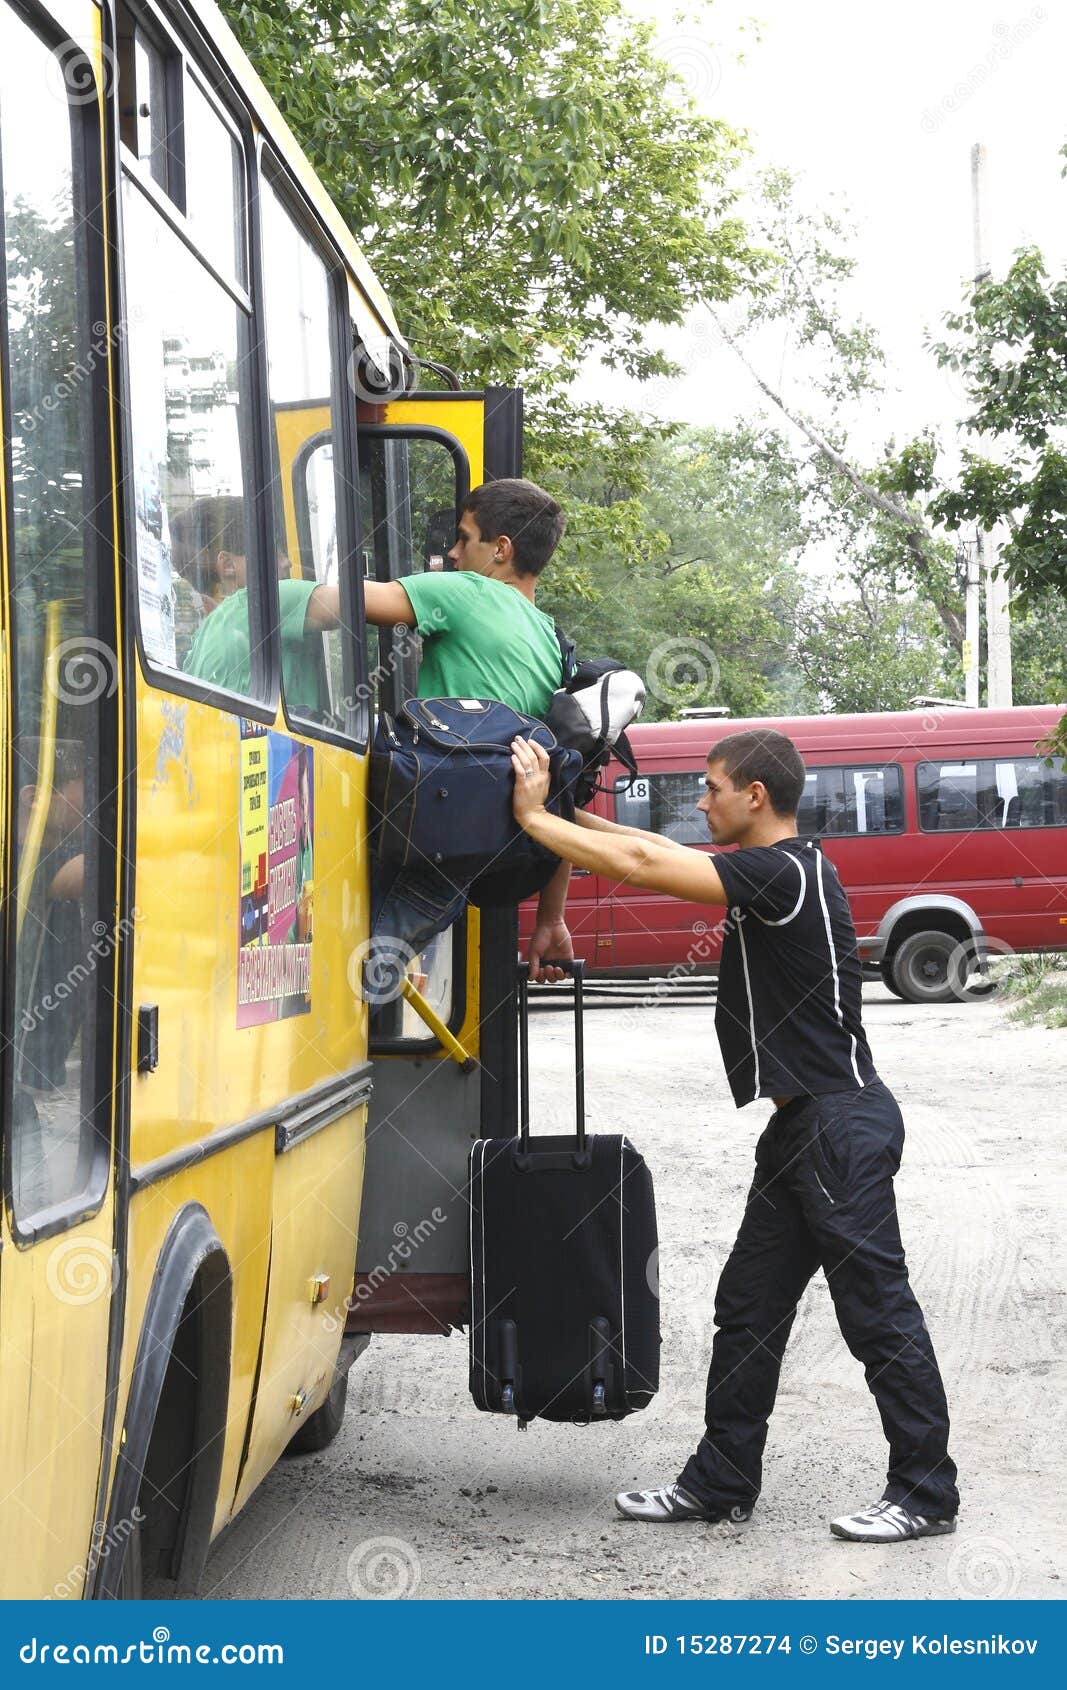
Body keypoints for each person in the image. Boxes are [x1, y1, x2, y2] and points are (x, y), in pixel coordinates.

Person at [509, 726, 959, 1543]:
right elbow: (645, 844)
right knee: (747, 1308)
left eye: (711, 788)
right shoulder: (774, 869)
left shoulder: (781, 873)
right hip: (801, 1131)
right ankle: (720, 1482)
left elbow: (644, 867)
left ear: (755, 796)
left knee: (877, 1315)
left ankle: (925, 1493)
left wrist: (538, 820)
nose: (701, 802)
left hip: (838, 1126)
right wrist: (573, 813)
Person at [362, 477, 575, 991]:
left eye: (463, 538)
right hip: (466, 860)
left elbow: (334, 603)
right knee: (365, 980)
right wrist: (551, 919)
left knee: (331, 981)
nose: (453, 554)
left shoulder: (469, 592)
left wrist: (256, 587)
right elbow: (563, 795)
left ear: (501, 549)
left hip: (425, 831)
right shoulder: (552, 641)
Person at [180, 496, 327, 714]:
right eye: (273, 553)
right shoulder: (270, 599)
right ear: (228, 564)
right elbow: (385, 599)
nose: (288, 562)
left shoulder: (199, 646)